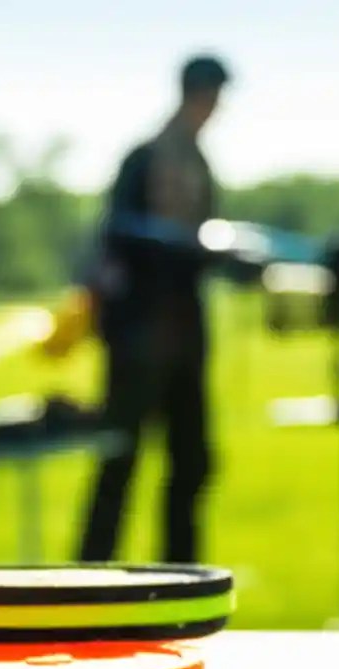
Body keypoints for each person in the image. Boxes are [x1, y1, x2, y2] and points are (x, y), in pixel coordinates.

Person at [78, 55, 229, 564]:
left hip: (185, 337)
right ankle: (91, 577)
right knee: (118, 461)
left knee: (191, 464)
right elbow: (117, 232)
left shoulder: (199, 162)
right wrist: (185, 245)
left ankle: (183, 576)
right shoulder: (145, 158)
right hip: (139, 337)